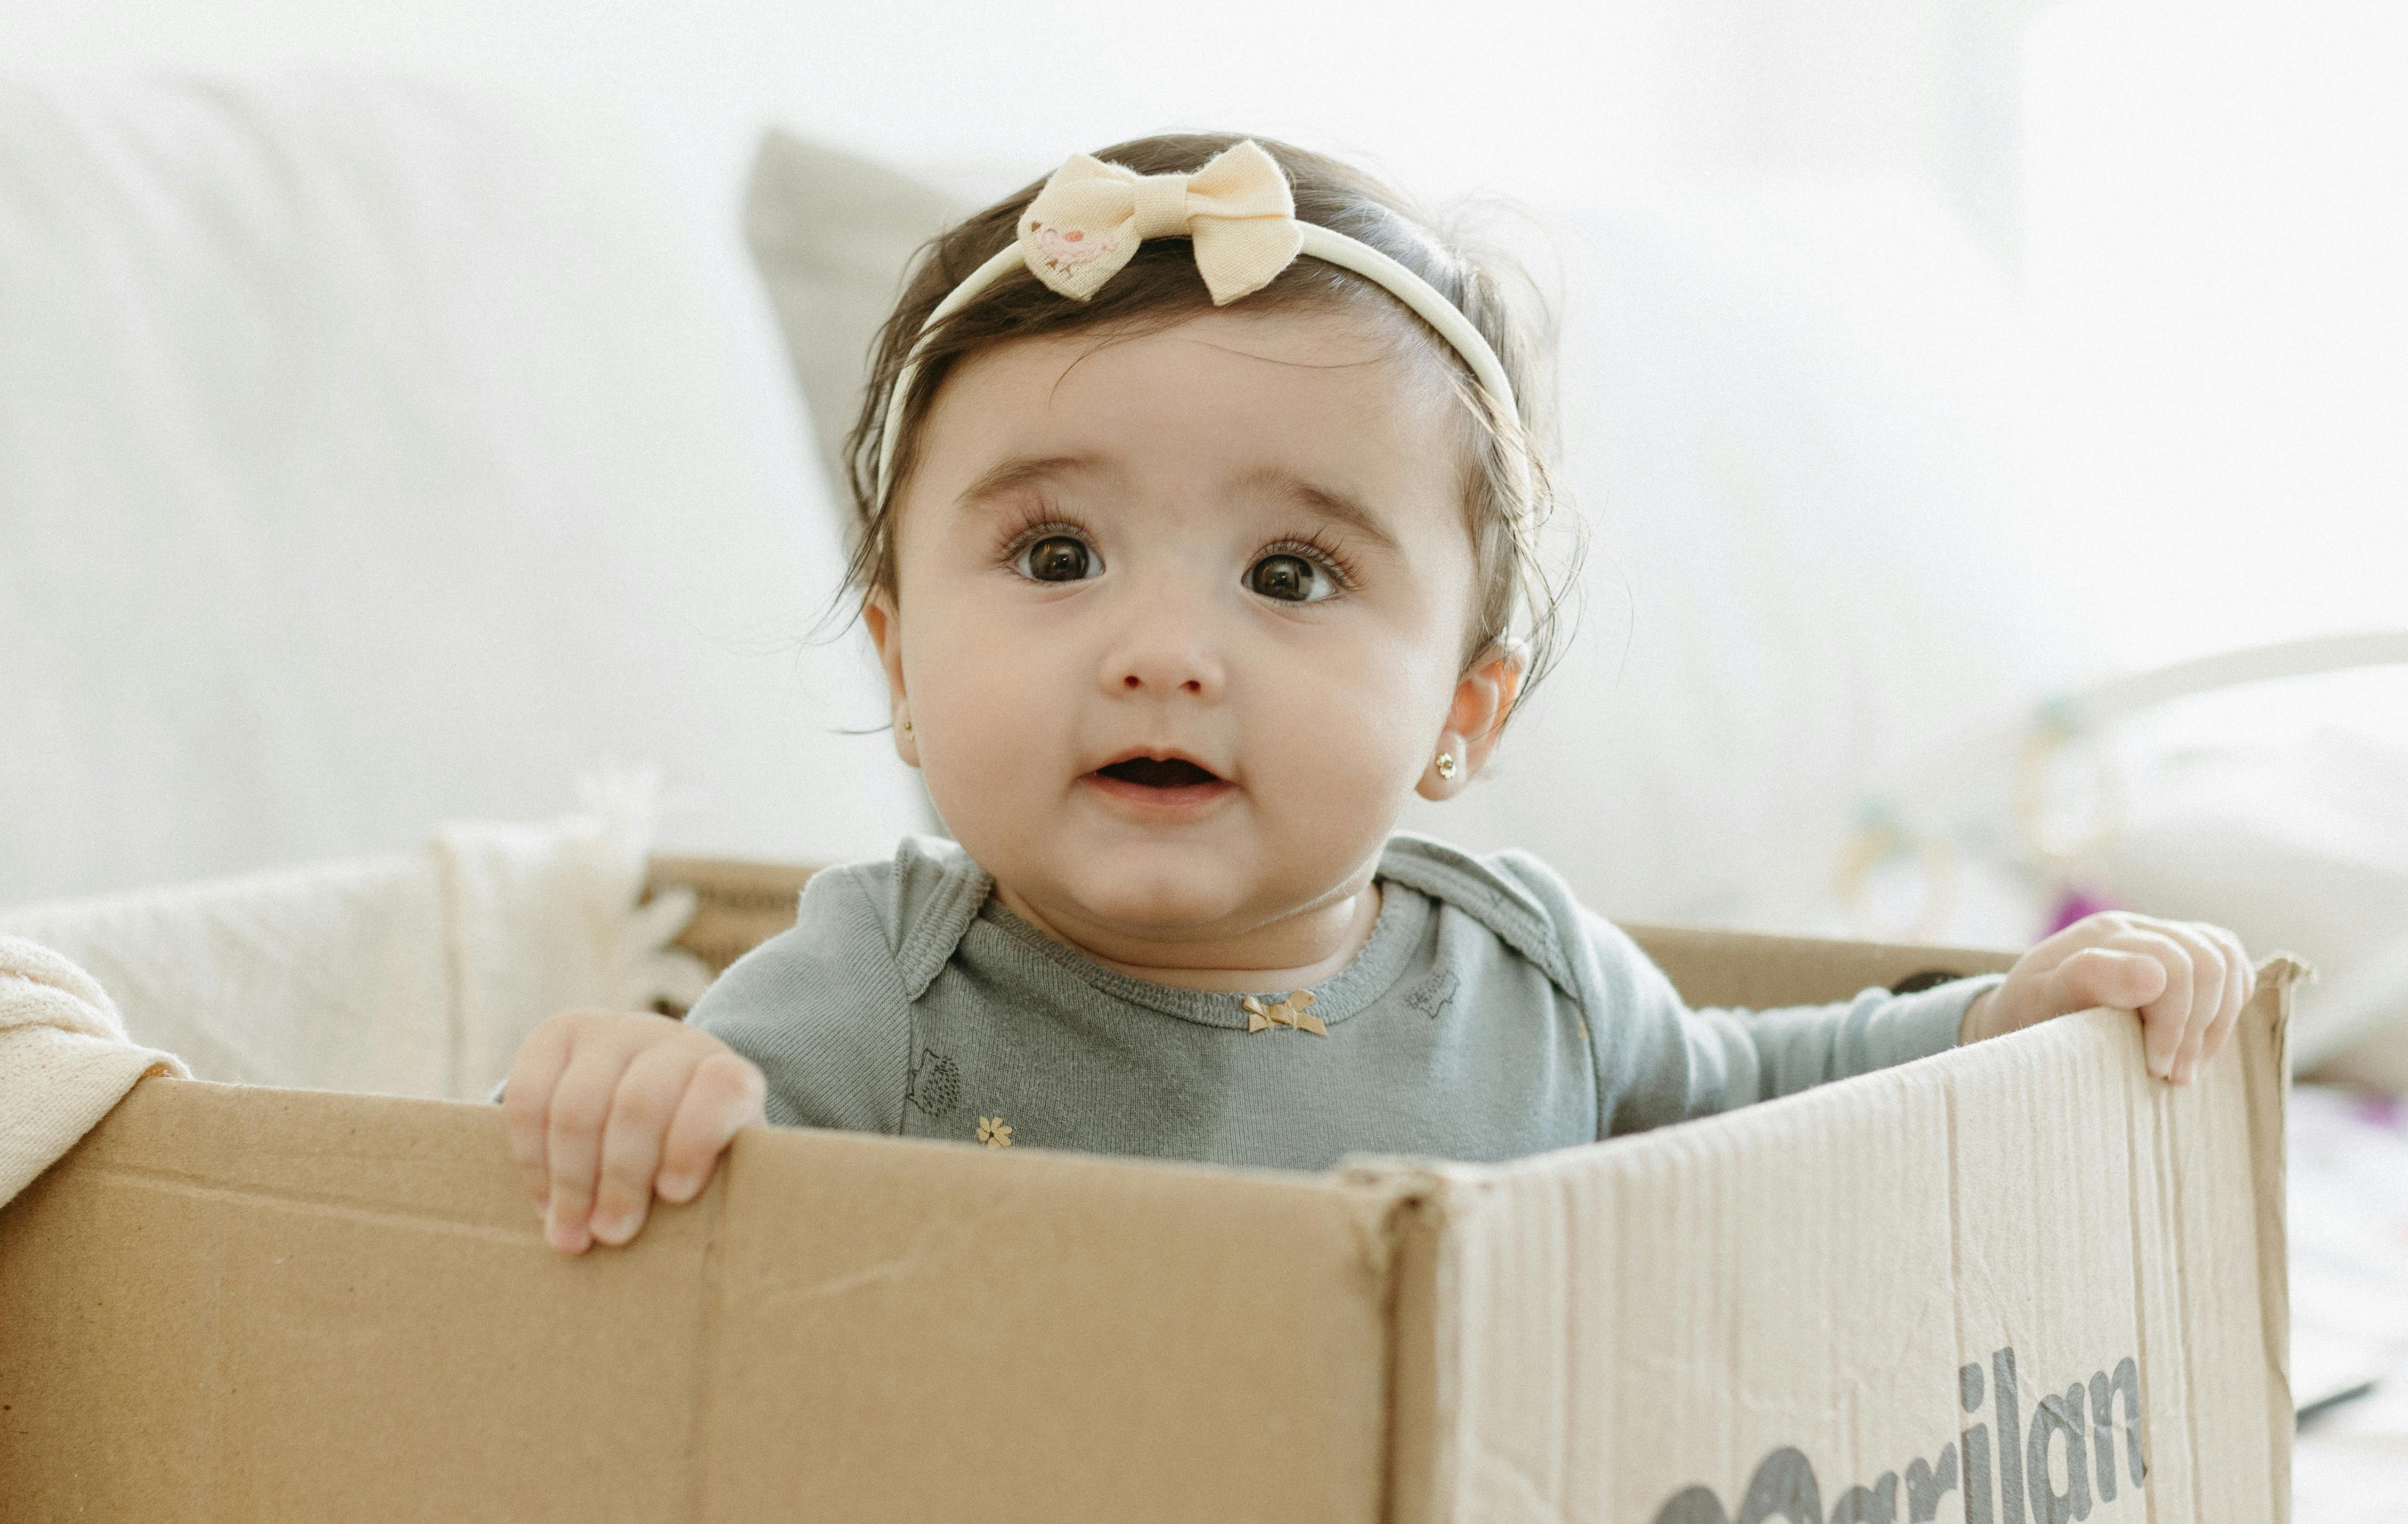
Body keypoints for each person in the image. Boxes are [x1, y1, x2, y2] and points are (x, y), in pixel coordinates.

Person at [499, 134, 2255, 1257]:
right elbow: (692, 1165)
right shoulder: (876, 991)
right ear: (898, 664)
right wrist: (635, 1087)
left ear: (1463, 716)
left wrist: (1997, 1024)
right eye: (1057, 555)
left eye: (1288, 575)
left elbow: (1756, 1087)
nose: (1161, 651)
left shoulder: (1527, 975)